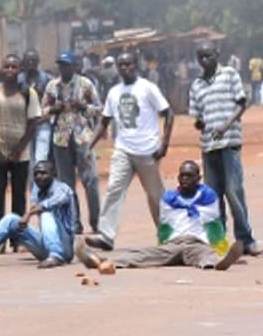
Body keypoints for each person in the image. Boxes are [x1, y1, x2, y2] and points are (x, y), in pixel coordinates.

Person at [76, 161, 244, 271]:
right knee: (142, 254)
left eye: (189, 176)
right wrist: (161, 245)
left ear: (198, 179)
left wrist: (221, 247)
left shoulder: (208, 197)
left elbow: (215, 225)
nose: (185, 179)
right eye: (182, 175)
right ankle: (99, 261)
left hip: (196, 242)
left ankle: (221, 261)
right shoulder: (169, 198)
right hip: (173, 243)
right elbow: (164, 226)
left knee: (205, 255)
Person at [84, 52, 173, 251]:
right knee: (114, 189)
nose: (125, 68)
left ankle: (166, 236)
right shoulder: (114, 92)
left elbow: (168, 113)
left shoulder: (148, 88)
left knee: (155, 195)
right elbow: (104, 122)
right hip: (123, 149)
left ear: (136, 66)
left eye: (128, 64)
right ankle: (106, 235)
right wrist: (89, 145)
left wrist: (164, 144)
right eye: (121, 64)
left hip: (148, 150)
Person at [189, 42, 261, 256]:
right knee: (213, 195)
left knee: (234, 191)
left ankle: (245, 239)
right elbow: (197, 116)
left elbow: (241, 103)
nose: (204, 60)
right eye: (200, 57)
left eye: (208, 56)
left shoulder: (229, 74)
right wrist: (200, 125)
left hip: (229, 141)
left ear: (217, 55)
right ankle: (219, 242)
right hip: (209, 145)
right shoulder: (196, 85)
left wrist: (226, 125)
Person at [0, 160, 76, 270]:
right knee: (11, 219)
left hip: (65, 247)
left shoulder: (62, 188)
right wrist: (23, 221)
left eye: (43, 173)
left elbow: (46, 205)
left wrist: (28, 214)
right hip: (45, 246)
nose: (39, 177)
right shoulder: (37, 189)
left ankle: (56, 256)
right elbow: (34, 207)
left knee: (46, 214)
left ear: (54, 174)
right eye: (36, 174)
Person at [43, 51, 103, 234]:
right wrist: (55, 108)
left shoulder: (85, 84)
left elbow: (99, 108)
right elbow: (43, 110)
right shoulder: (52, 86)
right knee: (66, 184)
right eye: (61, 64)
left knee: (91, 180)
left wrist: (83, 106)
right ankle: (74, 222)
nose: (63, 68)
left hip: (83, 137)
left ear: (75, 66)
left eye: (66, 64)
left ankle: (95, 221)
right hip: (61, 139)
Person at [0, 54, 40, 231]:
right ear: (2, 69)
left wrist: (18, 150)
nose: (10, 70)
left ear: (20, 70)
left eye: (14, 67)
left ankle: (17, 236)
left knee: (19, 196)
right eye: (7, 67)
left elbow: (33, 124)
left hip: (21, 154)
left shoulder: (29, 93)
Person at [18, 49, 52, 164]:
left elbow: (53, 102)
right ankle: (31, 181)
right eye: (28, 60)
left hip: (42, 123)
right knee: (28, 159)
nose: (31, 63)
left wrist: (46, 116)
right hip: (25, 125)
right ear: (24, 62)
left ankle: (37, 182)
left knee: (40, 158)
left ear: (38, 61)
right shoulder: (19, 80)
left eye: (33, 60)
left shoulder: (47, 79)